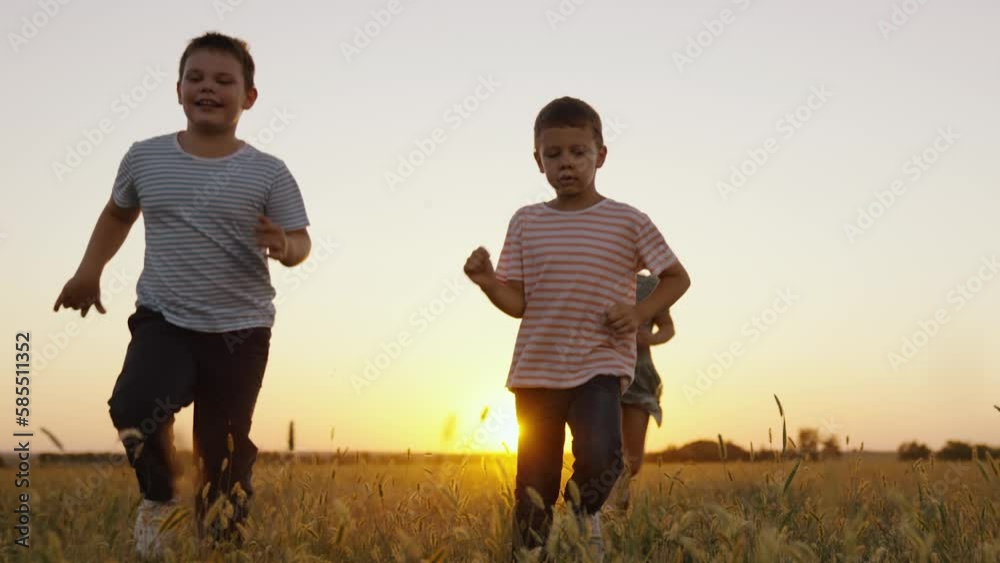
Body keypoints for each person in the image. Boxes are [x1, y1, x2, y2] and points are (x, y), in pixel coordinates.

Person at [52, 32, 311, 556]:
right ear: (178, 90)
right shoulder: (145, 158)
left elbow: (301, 241)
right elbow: (118, 215)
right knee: (135, 406)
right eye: (196, 78)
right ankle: (160, 495)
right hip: (164, 320)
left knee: (223, 452)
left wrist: (285, 245)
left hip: (240, 331)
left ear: (249, 97)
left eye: (223, 80)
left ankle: (220, 546)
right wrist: (88, 272)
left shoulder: (269, 172)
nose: (208, 88)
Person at [463, 97, 690, 561]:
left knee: (605, 455)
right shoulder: (526, 221)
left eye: (578, 152)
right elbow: (518, 303)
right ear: (538, 161)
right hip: (536, 371)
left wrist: (639, 313)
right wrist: (487, 282)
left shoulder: (628, 220)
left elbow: (676, 278)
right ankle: (530, 555)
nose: (566, 163)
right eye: (554, 154)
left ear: (600, 155)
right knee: (535, 479)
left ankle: (584, 513)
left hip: (599, 365)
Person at [615, 273, 675, 510]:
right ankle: (607, 512)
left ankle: (617, 506)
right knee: (609, 453)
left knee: (633, 461)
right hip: (602, 373)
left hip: (639, 377)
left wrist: (651, 337)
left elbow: (667, 326)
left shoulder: (649, 285)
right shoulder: (595, 273)